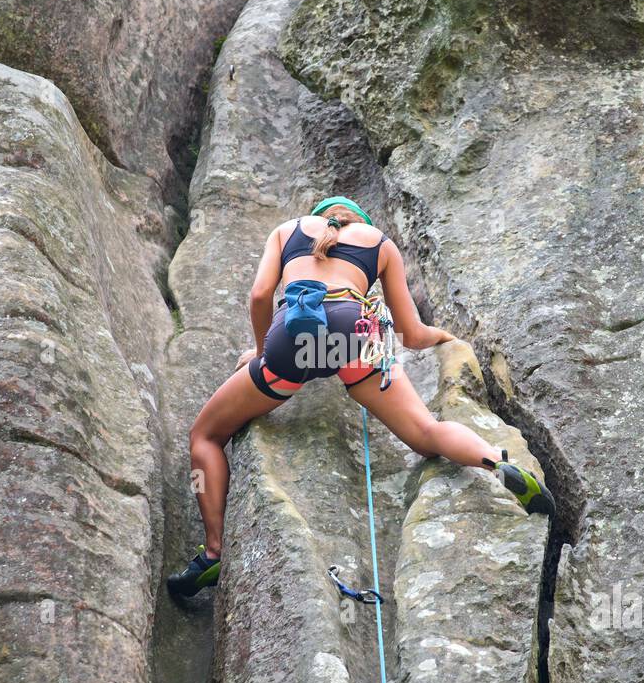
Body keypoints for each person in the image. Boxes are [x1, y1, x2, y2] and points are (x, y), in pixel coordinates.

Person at [167, 197, 555, 597]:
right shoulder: (381, 244)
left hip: (292, 340)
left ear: (320, 217)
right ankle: (495, 462)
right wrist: (447, 337)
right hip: (353, 336)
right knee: (425, 431)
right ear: (360, 221)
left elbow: (260, 294)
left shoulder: (287, 230)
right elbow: (411, 333)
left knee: (205, 436)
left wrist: (263, 350)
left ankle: (213, 553)